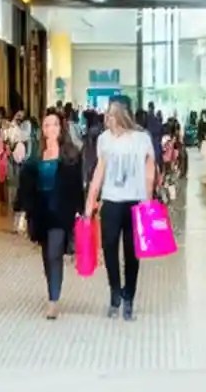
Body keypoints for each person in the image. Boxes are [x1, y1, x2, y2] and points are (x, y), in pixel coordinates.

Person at [84, 99, 156, 321]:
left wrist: (147, 201)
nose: (107, 117)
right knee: (109, 247)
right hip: (111, 200)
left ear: (122, 115)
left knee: (132, 253)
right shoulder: (104, 140)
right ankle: (115, 291)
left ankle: (129, 296)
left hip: (135, 201)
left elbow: (150, 172)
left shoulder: (142, 139)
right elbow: (100, 170)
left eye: (111, 113)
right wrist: (90, 201)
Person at [19, 110, 84, 319]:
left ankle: (53, 301)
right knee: (47, 254)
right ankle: (52, 291)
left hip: (61, 211)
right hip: (40, 212)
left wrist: (81, 211)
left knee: (55, 252)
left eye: (54, 125)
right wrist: (23, 211)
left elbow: (76, 186)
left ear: (61, 128)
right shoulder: (36, 155)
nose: (50, 129)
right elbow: (26, 185)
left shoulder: (70, 155)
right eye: (46, 125)